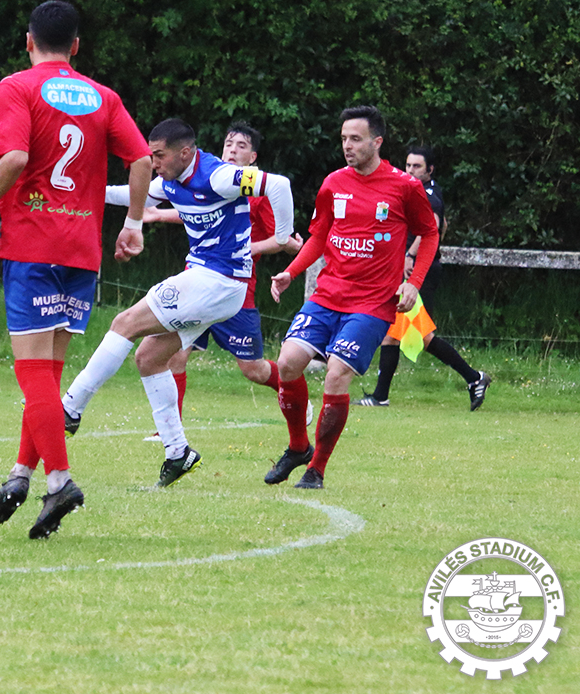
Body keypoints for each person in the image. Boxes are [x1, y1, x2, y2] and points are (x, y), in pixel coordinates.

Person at [0, 0, 152, 539]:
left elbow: (16, 158)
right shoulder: (103, 96)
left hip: (32, 244)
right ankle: (20, 477)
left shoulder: (17, 87)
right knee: (47, 375)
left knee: (32, 375)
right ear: (75, 46)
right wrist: (133, 222)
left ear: (28, 42)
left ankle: (59, 479)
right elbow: (140, 159)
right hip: (82, 253)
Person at [61, 118, 294, 487]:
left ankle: (70, 409)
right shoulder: (172, 178)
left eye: (159, 155)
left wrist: (282, 235)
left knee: (124, 323)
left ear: (185, 152)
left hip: (216, 281)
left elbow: (278, 185)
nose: (154, 162)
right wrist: (88, 190)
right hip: (216, 286)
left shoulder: (219, 177)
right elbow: (133, 195)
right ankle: (178, 452)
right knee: (149, 358)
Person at [266, 106, 439, 490]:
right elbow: (319, 236)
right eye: (344, 138)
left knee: (337, 373)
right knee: (288, 362)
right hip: (328, 295)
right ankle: (298, 447)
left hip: (372, 303)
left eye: (356, 139)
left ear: (377, 142)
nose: (347, 145)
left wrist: (414, 283)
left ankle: (317, 470)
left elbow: (429, 234)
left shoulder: (403, 186)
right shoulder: (332, 184)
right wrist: (291, 272)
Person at [110, 122, 310, 440]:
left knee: (253, 369)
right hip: (200, 280)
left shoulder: (256, 193)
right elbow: (197, 208)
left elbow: (280, 240)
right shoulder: (204, 181)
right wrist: (159, 214)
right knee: (174, 354)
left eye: (241, 146)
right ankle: (170, 432)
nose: (232, 149)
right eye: (228, 143)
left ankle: (295, 394)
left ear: (253, 157)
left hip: (235, 287)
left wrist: (253, 248)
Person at [355, 146, 491, 409]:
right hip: (416, 269)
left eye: (417, 166)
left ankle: (473, 378)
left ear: (430, 170)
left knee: (406, 334)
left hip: (418, 271)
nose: (410, 171)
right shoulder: (423, 191)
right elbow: (444, 225)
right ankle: (473, 378)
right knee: (407, 334)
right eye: (407, 165)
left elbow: (434, 229)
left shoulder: (429, 196)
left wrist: (410, 256)